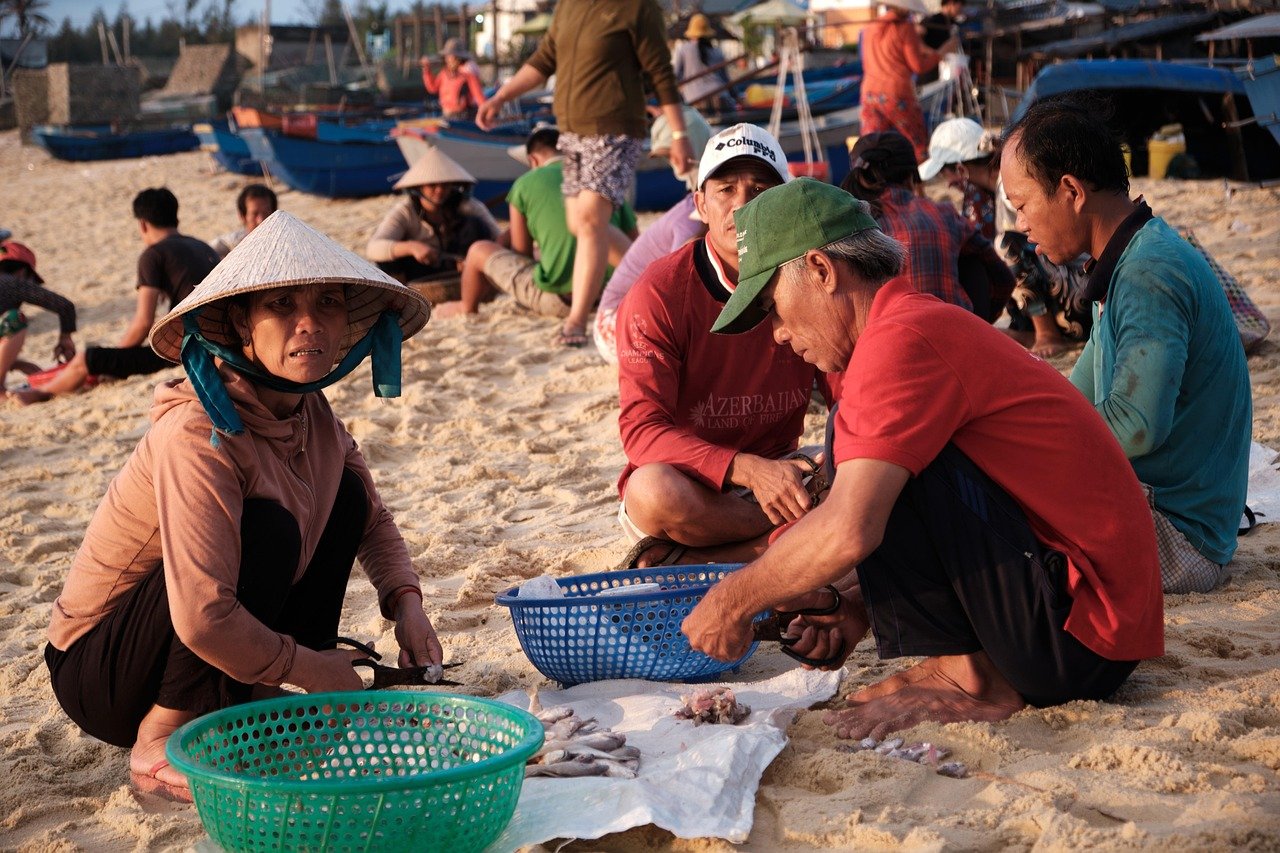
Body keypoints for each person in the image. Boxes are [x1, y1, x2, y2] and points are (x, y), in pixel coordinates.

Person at [682, 178, 1163, 740]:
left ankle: (972, 677)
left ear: (820, 269)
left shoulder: (902, 339)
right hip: (1079, 618)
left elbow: (849, 530)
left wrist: (730, 601)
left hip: (1081, 638)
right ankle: (962, 662)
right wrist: (859, 603)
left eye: (774, 309)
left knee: (874, 466)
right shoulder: (905, 326)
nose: (780, 335)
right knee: (857, 448)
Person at [44, 211, 441, 802]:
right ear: (241, 324)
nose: (309, 325)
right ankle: (161, 738)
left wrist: (405, 603)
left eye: (328, 303)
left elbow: (373, 521)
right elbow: (202, 615)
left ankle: (249, 700)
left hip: (209, 646)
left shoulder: (313, 416)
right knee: (268, 527)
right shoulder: (196, 433)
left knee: (347, 497)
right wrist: (309, 668)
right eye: (282, 304)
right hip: (103, 670)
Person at [1001, 94, 1252, 595]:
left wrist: (1021, 454)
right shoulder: (1127, 260)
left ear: (1070, 189)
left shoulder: (1148, 271)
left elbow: (1137, 428)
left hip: (1179, 538)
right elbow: (1075, 399)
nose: (1022, 225)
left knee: (980, 518)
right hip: (1168, 515)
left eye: (1024, 205)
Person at [614, 124, 827, 567]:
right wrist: (749, 470)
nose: (743, 205)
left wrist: (832, 459)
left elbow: (851, 391)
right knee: (653, 493)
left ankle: (705, 559)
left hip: (785, 467)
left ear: (784, 201)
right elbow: (641, 431)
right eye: (726, 188)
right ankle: (775, 543)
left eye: (761, 188)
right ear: (701, 204)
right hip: (696, 483)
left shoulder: (815, 274)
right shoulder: (660, 291)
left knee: (866, 467)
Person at [477, 0, 693, 348]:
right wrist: (500, 96)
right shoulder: (569, 6)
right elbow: (543, 61)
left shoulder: (637, 7)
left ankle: (576, 321)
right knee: (580, 225)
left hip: (615, 128)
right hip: (572, 132)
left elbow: (660, 72)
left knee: (591, 221)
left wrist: (680, 135)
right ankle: (649, 280)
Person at [19, 188, 219, 403]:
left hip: (189, 350)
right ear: (175, 216)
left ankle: (41, 393)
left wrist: (115, 361)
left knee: (89, 357)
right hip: (220, 340)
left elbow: (143, 322)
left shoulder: (154, 254)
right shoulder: (203, 246)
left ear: (142, 224)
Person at [919, 117, 1090, 356]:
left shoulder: (1008, 190)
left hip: (1081, 301)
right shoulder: (993, 192)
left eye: (945, 174)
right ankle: (1028, 328)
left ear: (960, 168)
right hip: (1076, 293)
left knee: (1005, 246)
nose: (947, 184)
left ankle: (1047, 333)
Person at [434, 125, 638, 321]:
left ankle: (466, 307)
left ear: (532, 160)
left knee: (478, 250)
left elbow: (522, 254)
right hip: (615, 296)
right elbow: (635, 245)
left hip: (561, 301)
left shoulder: (524, 184)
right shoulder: (599, 179)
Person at [842, 131, 1012, 321]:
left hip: (885, 341)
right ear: (910, 176)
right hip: (953, 333)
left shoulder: (849, 226)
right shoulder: (944, 213)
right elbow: (1002, 278)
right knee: (972, 259)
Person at [594, 106, 714, 363]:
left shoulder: (691, 207)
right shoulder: (689, 220)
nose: (673, 163)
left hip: (622, 316)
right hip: (615, 324)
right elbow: (680, 287)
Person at [365, 147, 501, 291]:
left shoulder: (468, 205)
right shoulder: (405, 211)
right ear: (419, 187)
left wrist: (474, 259)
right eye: (432, 185)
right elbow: (374, 248)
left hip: (463, 267)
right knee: (388, 258)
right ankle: (403, 292)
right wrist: (412, 247)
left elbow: (497, 236)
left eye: (445, 185)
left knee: (475, 225)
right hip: (420, 270)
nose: (439, 190)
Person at [860, 0, 958, 162]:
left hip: (869, 93)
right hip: (896, 94)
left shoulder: (870, 27)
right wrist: (942, 52)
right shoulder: (905, 28)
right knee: (918, 143)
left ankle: (869, 184)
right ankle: (918, 185)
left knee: (870, 146)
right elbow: (918, 66)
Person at [0, 240, 76, 399]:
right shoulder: (12, 283)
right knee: (15, 319)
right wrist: (65, 337)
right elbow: (65, 306)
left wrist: (17, 363)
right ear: (22, 272)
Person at [672, 14, 732, 113]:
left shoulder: (683, 49)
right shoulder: (717, 51)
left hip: (695, 99)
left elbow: (675, 76)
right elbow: (726, 79)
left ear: (691, 33)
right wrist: (737, 97)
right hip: (720, 96)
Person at [420, 37, 487, 121]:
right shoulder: (444, 74)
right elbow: (432, 88)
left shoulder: (468, 75)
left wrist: (486, 114)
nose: (448, 59)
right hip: (447, 116)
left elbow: (480, 98)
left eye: (451, 56)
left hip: (463, 118)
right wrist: (426, 70)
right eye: (447, 56)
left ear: (459, 59)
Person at [210, 184, 278, 259]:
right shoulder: (235, 242)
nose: (261, 220)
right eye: (254, 214)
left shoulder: (286, 242)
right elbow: (206, 251)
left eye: (266, 213)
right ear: (242, 216)